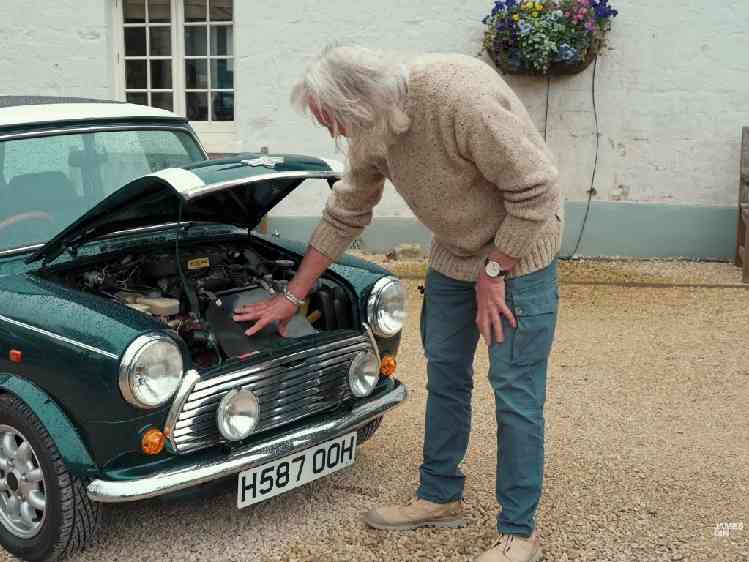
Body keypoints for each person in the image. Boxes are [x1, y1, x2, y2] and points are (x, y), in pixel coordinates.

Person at [233, 44, 561, 562]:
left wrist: (496, 271)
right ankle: (439, 495)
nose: (336, 134)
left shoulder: (459, 97)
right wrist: (291, 297)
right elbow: (346, 211)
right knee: (447, 379)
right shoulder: (371, 126)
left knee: (515, 392)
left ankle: (519, 532)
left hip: (518, 260)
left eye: (334, 121)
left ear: (358, 100)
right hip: (454, 258)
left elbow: (539, 190)